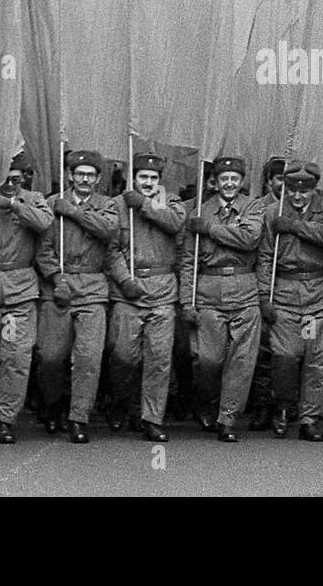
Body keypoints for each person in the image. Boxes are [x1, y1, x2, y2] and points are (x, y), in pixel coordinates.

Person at [33, 150, 126, 444]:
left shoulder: (108, 205)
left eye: (91, 175)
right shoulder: (51, 203)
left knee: (88, 357)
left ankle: (79, 416)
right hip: (57, 288)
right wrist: (55, 277)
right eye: (79, 174)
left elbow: (107, 230)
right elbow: (42, 249)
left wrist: (72, 212)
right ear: (70, 176)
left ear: (98, 179)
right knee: (51, 357)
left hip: (92, 288)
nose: (84, 179)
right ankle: (52, 406)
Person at [0, 152, 53, 444]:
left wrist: (14, 205)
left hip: (20, 291)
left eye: (17, 179)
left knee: (15, 357)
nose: (11, 183)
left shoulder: (33, 199)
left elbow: (43, 223)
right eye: (5, 178)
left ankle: (5, 417)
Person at [178, 155, 264, 442]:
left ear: (242, 182)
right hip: (209, 291)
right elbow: (189, 261)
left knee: (241, 360)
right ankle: (205, 401)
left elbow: (249, 239)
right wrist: (186, 301)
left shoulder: (253, 207)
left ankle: (228, 417)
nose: (229, 184)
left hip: (244, 289)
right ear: (215, 182)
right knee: (209, 360)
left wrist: (212, 229)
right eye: (224, 179)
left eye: (234, 179)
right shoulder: (200, 212)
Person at [254, 160, 323, 442]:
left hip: (316, 295)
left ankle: (309, 418)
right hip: (284, 293)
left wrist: (292, 226)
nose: (297, 196)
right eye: (292, 190)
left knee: (316, 360)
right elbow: (265, 258)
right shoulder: (271, 212)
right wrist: (264, 296)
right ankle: (283, 405)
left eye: (304, 191)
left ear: (314, 189)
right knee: (285, 356)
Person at [108, 151, 185, 443]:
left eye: (154, 178)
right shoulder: (117, 205)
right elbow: (111, 249)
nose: (149, 182)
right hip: (128, 291)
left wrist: (143, 205)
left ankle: (152, 417)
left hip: (162, 291)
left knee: (159, 359)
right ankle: (120, 400)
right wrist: (124, 280)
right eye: (143, 177)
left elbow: (175, 223)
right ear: (133, 177)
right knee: (123, 356)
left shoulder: (171, 202)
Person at [247, 156, 286, 432]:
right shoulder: (257, 207)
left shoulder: (296, 208)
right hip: (259, 280)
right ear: (269, 181)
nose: (285, 185)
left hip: (286, 282)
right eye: (280, 179)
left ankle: (285, 404)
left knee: (287, 350)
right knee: (262, 348)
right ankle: (261, 405)